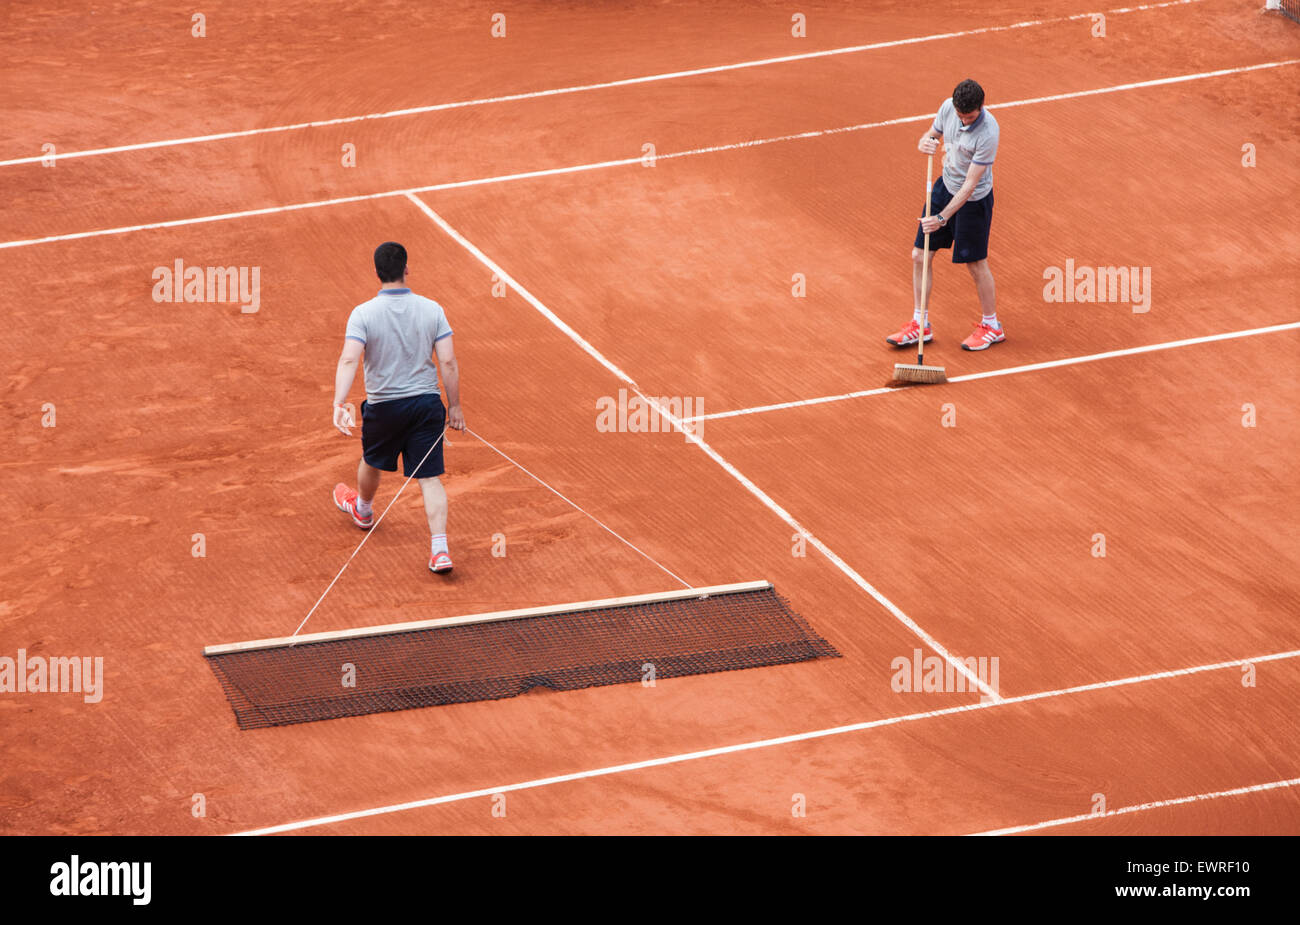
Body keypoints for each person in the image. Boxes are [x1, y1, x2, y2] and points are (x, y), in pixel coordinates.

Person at [330, 241, 466, 573]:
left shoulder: (362, 314)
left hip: (384, 408)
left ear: (377, 273)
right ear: (407, 269)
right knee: (430, 478)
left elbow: (350, 358)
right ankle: (440, 551)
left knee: (372, 460)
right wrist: (455, 406)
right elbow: (447, 362)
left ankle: (363, 509)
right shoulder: (433, 309)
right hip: (425, 406)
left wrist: (339, 401)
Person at [886, 78, 1004, 352]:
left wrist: (942, 218)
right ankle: (920, 324)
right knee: (920, 254)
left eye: (970, 117)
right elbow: (931, 135)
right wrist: (925, 142)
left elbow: (970, 185)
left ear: (980, 108)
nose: (963, 121)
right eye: (960, 115)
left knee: (975, 264)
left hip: (972, 200)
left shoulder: (988, 132)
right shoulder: (947, 108)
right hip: (945, 186)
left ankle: (992, 326)